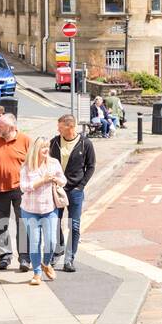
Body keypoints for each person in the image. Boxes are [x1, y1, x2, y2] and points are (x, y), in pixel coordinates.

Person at [0, 114, 31, 272]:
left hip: (21, 189)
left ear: (12, 128)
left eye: (1, 126)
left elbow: (33, 163)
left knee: (23, 224)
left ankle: (24, 258)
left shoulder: (25, 140)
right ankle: (5, 256)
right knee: (0, 225)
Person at [51, 115, 95, 272]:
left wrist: (80, 186)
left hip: (75, 191)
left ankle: (69, 259)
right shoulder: (54, 142)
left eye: (60, 127)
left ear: (70, 127)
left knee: (74, 225)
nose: (58, 129)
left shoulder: (85, 143)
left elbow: (91, 167)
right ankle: (59, 248)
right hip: (57, 189)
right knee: (55, 222)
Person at [18, 136, 63, 286]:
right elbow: (24, 187)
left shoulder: (54, 163)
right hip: (30, 210)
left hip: (49, 209)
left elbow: (64, 181)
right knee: (35, 242)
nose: (46, 150)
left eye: (47, 147)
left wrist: (56, 179)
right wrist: (42, 180)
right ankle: (37, 273)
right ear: (36, 149)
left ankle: (46, 263)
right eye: (43, 147)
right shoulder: (26, 167)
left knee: (51, 241)